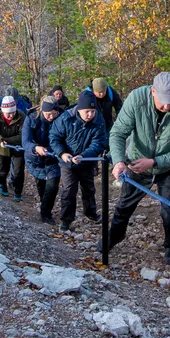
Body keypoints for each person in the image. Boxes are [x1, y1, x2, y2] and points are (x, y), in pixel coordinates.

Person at [106, 72, 170, 265]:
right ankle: (113, 237)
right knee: (124, 205)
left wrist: (155, 162)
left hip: (168, 166)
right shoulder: (136, 99)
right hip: (137, 163)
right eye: (163, 101)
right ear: (153, 91)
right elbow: (118, 133)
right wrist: (119, 161)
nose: (166, 107)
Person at [50, 90, 107, 232]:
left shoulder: (98, 120)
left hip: (86, 160)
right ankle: (66, 220)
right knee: (69, 190)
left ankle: (91, 213)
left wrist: (84, 155)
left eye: (93, 111)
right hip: (67, 162)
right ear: (80, 109)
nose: (90, 115)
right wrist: (62, 153)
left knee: (89, 188)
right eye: (87, 111)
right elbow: (54, 137)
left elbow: (99, 142)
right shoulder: (65, 118)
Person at [22, 95, 63, 224]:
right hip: (35, 158)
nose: (51, 117)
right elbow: (25, 141)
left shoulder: (61, 119)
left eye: (54, 114)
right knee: (41, 186)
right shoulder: (31, 119)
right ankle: (43, 204)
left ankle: (46, 214)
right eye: (48, 114)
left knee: (52, 186)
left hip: (53, 157)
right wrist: (35, 148)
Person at [0, 96, 27, 199]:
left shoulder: (21, 116)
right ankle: (2, 185)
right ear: (3, 111)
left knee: (18, 171)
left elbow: (23, 135)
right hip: (2, 148)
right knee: (3, 170)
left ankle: (18, 192)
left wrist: (7, 140)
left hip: (17, 147)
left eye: (13, 112)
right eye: (8, 113)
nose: (11, 115)